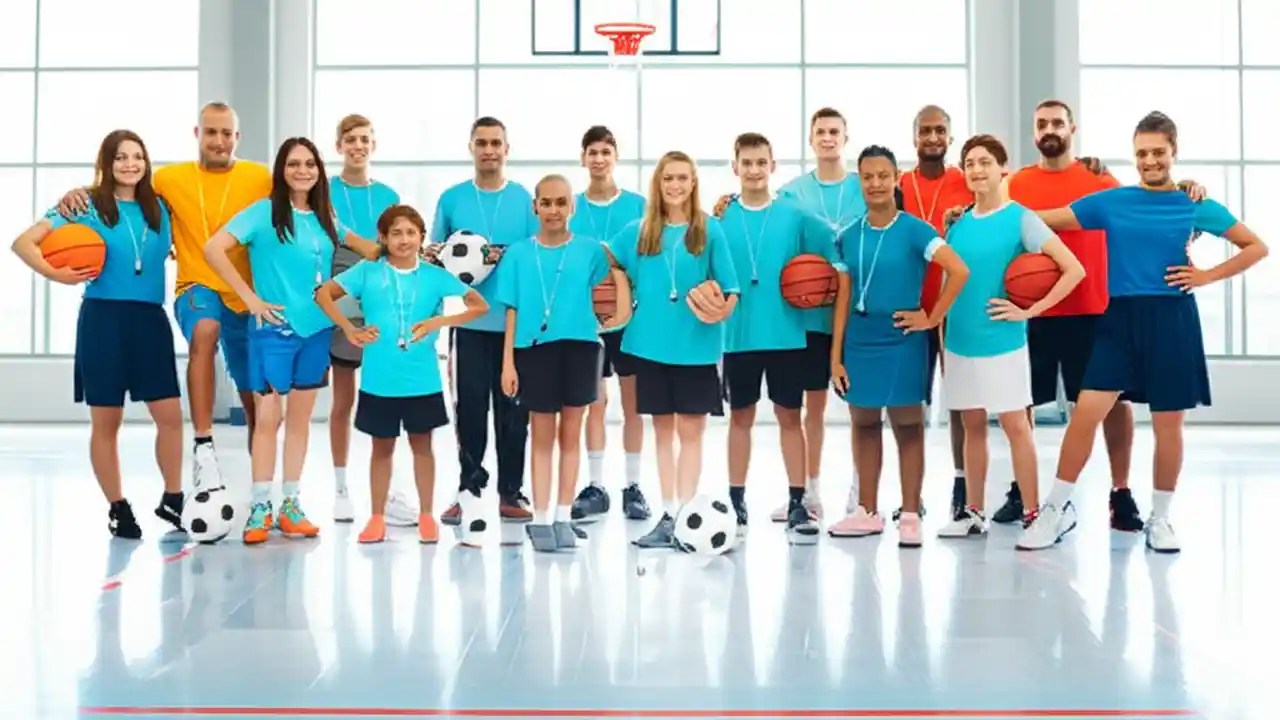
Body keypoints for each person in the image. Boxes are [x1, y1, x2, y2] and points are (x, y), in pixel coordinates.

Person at [1018, 112, 1267, 553]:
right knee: (1086, 414)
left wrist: (1206, 276)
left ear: (1174, 152)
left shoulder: (1194, 204)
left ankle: (1162, 518)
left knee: (1169, 424)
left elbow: (1256, 246)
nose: (1149, 161)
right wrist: (984, 211)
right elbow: (1041, 219)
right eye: (1141, 154)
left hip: (1172, 320)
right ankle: (1055, 510)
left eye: (1158, 152)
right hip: (1118, 320)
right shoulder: (1110, 201)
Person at [58, 103, 272, 491]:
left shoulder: (260, 177)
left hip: (246, 295)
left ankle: (262, 495)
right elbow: (123, 186)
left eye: (227, 133)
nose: (219, 140)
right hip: (195, 288)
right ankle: (204, 442)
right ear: (197, 134)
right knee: (205, 331)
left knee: (254, 397)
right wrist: (81, 191)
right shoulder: (171, 179)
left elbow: (299, 199)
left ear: (237, 137)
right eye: (211, 132)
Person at [204, 136, 383, 545]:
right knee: (269, 418)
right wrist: (250, 298)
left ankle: (290, 504)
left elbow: (368, 248)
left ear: (319, 170)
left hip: (316, 330)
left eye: (309, 164)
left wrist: (412, 249)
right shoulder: (264, 213)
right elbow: (214, 248)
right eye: (293, 164)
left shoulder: (324, 218)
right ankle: (260, 505)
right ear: (282, 171)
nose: (302, 171)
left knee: (301, 420)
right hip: (273, 330)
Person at [12, 130, 183, 539]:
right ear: (106, 163)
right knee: (107, 423)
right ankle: (118, 507)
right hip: (102, 321)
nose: (129, 164)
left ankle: (173, 499)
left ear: (146, 162)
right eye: (120, 157)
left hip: (149, 321)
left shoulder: (162, 210)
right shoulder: (85, 206)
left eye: (137, 156)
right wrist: (55, 272)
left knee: (172, 417)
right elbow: (23, 243)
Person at [936, 134, 1085, 540]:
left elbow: (1073, 268)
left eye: (985, 161)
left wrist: (1031, 310)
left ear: (1004, 169)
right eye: (969, 163)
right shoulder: (958, 224)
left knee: (1017, 425)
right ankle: (973, 513)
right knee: (972, 425)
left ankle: (1035, 513)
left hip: (1003, 339)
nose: (976, 169)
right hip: (960, 339)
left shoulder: (1021, 218)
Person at [316, 204, 488, 544]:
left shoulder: (435, 276)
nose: (404, 239)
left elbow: (479, 305)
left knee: (422, 447)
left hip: (421, 379)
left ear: (422, 238)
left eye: (411, 232)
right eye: (396, 233)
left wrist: (440, 321)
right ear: (383, 237)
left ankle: (426, 515)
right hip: (380, 380)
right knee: (382, 449)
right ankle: (377, 517)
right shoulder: (367, 270)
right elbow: (324, 294)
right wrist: (349, 329)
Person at [828, 145, 969, 546]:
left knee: (908, 426)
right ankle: (867, 511)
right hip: (859, 341)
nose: (875, 183)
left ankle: (910, 514)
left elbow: (958, 270)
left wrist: (932, 317)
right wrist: (835, 356)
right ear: (859, 180)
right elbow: (842, 297)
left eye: (882, 176)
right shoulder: (847, 236)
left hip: (903, 339)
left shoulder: (916, 230)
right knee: (864, 423)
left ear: (895, 179)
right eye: (867, 176)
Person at [607, 151, 740, 549]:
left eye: (683, 177)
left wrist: (721, 311)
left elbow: (731, 289)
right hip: (649, 344)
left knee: (692, 432)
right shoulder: (639, 230)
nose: (675, 185)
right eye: (668, 178)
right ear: (659, 183)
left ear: (694, 181)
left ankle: (685, 515)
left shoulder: (709, 230)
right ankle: (668, 515)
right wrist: (621, 288)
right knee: (662, 431)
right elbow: (607, 258)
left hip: (696, 346)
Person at [497, 174, 633, 551]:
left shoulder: (590, 250)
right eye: (547, 202)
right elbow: (511, 310)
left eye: (561, 203)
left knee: (571, 434)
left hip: (581, 348)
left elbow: (617, 286)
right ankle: (539, 519)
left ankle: (561, 517)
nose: (554, 210)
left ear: (572, 207)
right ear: (535, 207)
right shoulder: (519, 253)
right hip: (533, 348)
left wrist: (620, 293)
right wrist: (508, 363)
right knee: (541, 435)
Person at [719, 132, 842, 544]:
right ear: (734, 167)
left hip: (788, 334)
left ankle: (797, 501)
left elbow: (834, 253)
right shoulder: (720, 218)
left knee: (791, 417)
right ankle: (735, 500)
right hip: (738, 336)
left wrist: (821, 288)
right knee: (741, 417)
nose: (754, 170)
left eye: (761, 162)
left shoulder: (796, 216)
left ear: (773, 167)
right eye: (746, 162)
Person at [428, 116, 539, 530]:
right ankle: (468, 490)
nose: (489, 149)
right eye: (482, 143)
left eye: (496, 143)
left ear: (507, 149)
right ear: (471, 148)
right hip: (470, 325)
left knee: (513, 412)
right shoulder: (453, 199)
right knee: (470, 411)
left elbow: (534, 255)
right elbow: (436, 257)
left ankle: (511, 491)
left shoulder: (524, 199)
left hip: (515, 327)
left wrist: (500, 254)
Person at [324, 113, 419, 528]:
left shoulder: (388, 194)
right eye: (350, 139)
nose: (357, 145)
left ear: (373, 145)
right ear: (339, 145)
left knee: (386, 395)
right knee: (343, 398)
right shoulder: (325, 191)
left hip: (381, 296)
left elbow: (397, 245)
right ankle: (341, 489)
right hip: (341, 289)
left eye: (364, 139)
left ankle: (391, 492)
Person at [569, 125, 650, 524]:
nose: (599, 158)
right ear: (582, 158)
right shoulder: (570, 206)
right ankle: (596, 484)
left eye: (605, 151)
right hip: (586, 321)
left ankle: (633, 486)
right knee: (594, 404)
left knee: (634, 404)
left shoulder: (638, 205)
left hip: (631, 319)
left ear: (615, 156)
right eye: (592, 152)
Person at [897, 105, 975, 522]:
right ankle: (912, 493)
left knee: (959, 401)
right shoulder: (896, 183)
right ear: (914, 138)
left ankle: (961, 484)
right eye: (924, 130)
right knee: (911, 404)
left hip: (954, 308)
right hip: (909, 309)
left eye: (939, 130)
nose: (932, 137)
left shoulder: (968, 181)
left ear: (950, 137)